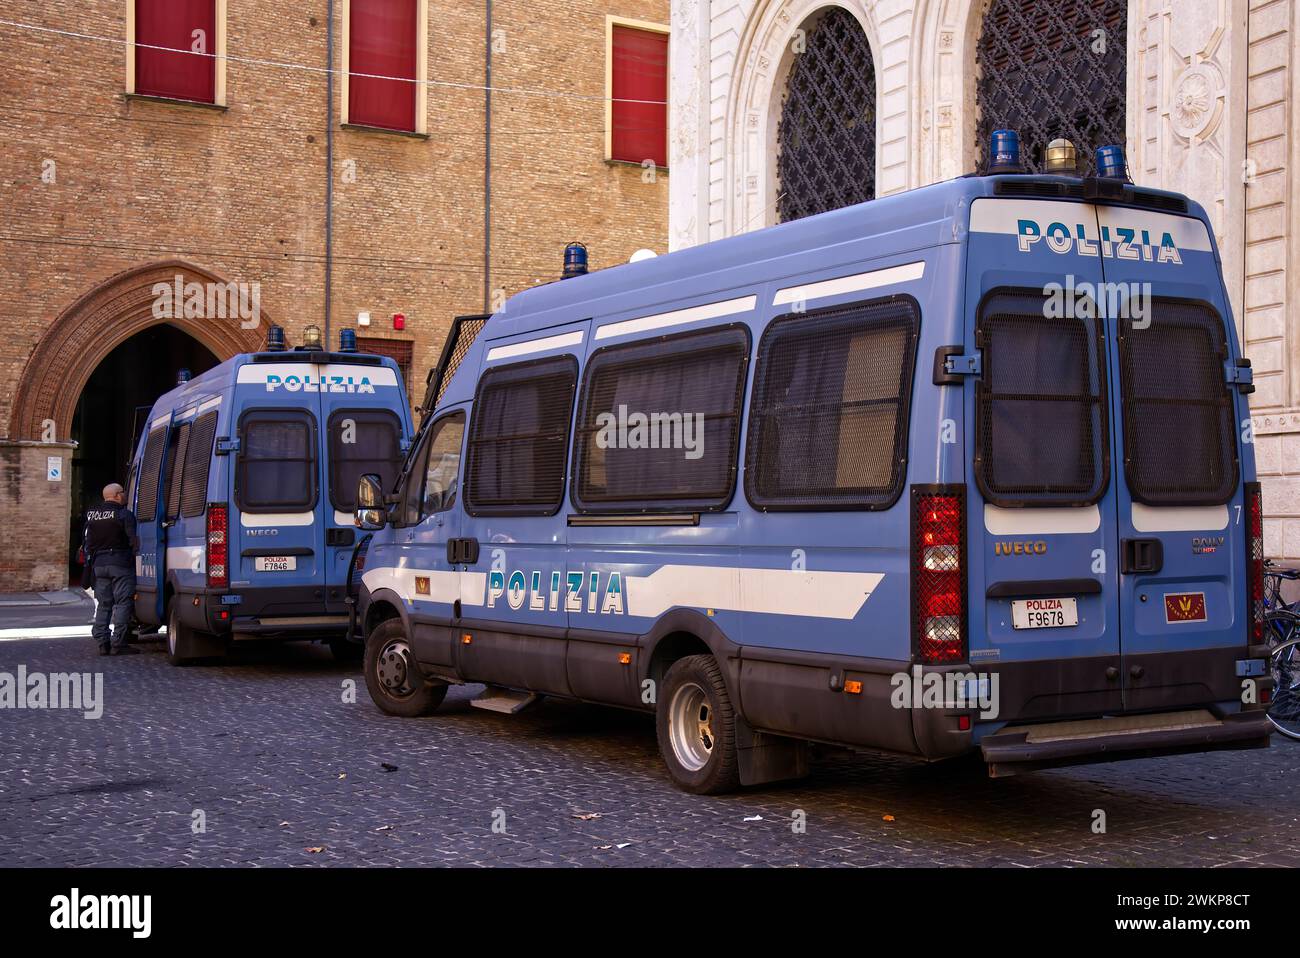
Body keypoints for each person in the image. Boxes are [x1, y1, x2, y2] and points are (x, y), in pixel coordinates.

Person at [83, 482, 140, 656]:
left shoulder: (92, 515)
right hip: (121, 563)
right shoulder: (124, 514)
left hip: (100, 564)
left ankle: (102, 642)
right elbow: (133, 541)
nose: (124, 495)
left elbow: (88, 543)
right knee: (123, 603)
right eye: (122, 492)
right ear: (116, 495)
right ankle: (119, 642)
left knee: (104, 604)